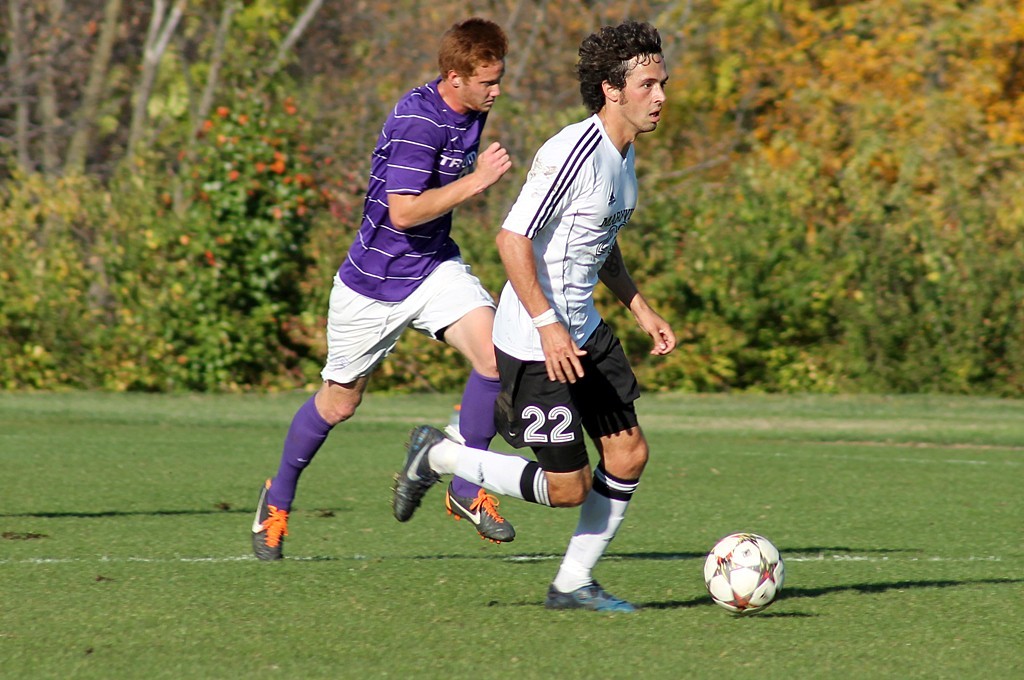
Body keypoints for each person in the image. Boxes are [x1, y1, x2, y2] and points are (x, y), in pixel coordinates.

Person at [393, 20, 675, 612]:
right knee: (568, 489)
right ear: (611, 89)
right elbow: (511, 239)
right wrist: (548, 326)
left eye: (662, 84)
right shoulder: (573, 151)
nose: (660, 96)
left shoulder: (624, 157)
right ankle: (439, 455)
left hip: (583, 331)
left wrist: (640, 307)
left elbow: (599, 242)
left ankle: (573, 584)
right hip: (534, 340)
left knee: (628, 453)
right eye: (647, 85)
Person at [252, 17, 516, 560]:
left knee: (496, 356)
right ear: (455, 77)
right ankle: (276, 501)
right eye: (487, 82)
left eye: (499, 79)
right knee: (339, 403)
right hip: (372, 283)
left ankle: (466, 487)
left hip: (433, 268)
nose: (496, 91)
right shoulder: (420, 120)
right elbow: (403, 213)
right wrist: (477, 182)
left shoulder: (471, 108)